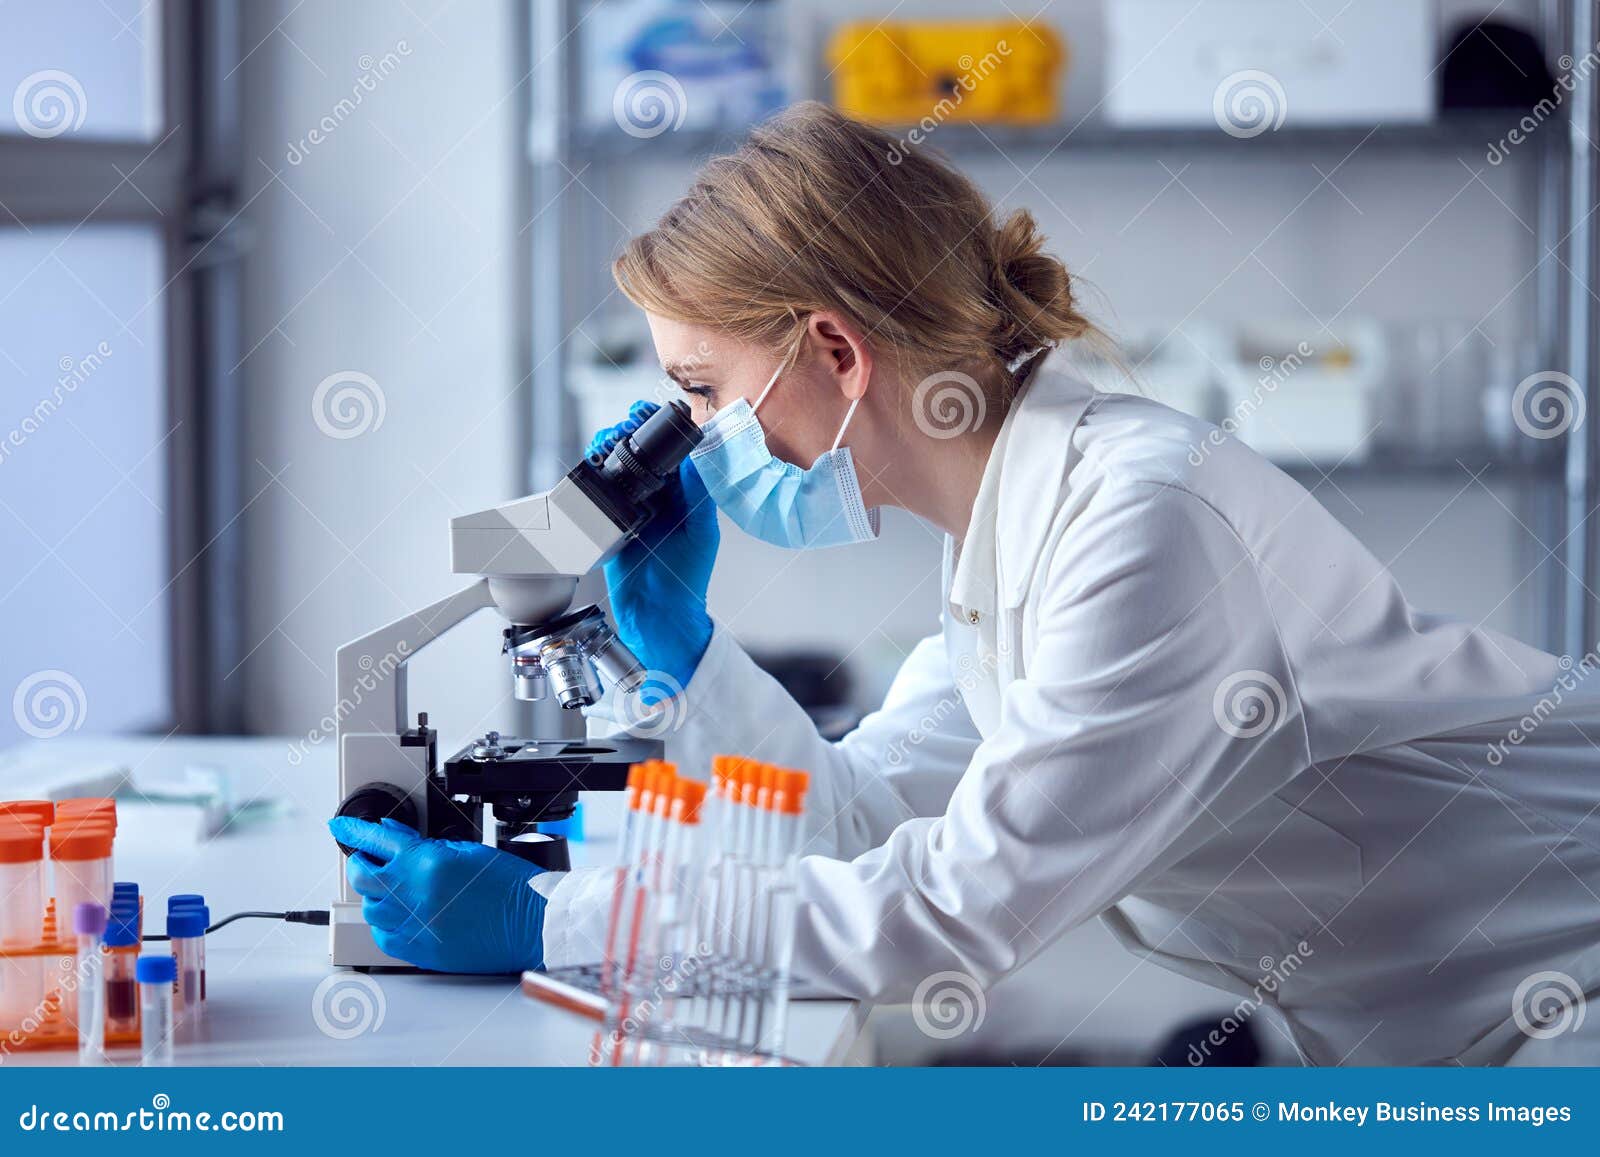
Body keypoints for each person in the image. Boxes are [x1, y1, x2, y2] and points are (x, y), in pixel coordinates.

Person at [331, 102, 1600, 1066]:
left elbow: (950, 912)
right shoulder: (1007, 530)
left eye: (700, 393)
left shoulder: (1143, 523)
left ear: (834, 349)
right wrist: (687, 650)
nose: (696, 436)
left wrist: (554, 918)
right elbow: (864, 819)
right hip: (1436, 1015)